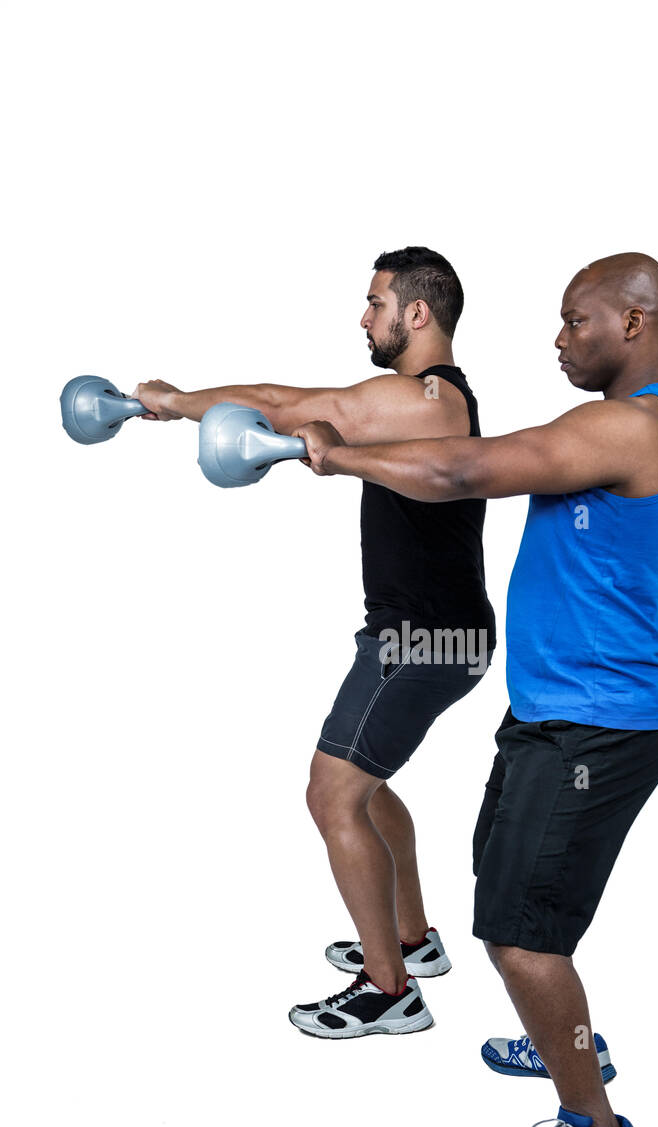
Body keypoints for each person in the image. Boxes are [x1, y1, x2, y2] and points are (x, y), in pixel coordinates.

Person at [295, 252, 658, 1127]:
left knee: (521, 937)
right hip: (553, 712)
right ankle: (563, 1033)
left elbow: (464, 468)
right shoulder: (614, 422)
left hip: (598, 728)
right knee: (511, 895)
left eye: (575, 322)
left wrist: (337, 453)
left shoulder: (633, 426)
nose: (559, 340)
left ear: (633, 325)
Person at [131, 247, 496, 1039]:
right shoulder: (430, 399)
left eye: (375, 304)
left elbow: (280, 401)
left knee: (330, 794)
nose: (364, 319)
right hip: (429, 632)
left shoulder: (427, 399)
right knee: (366, 783)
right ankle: (411, 940)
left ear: (418, 314)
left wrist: (174, 399)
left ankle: (388, 989)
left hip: (423, 640)